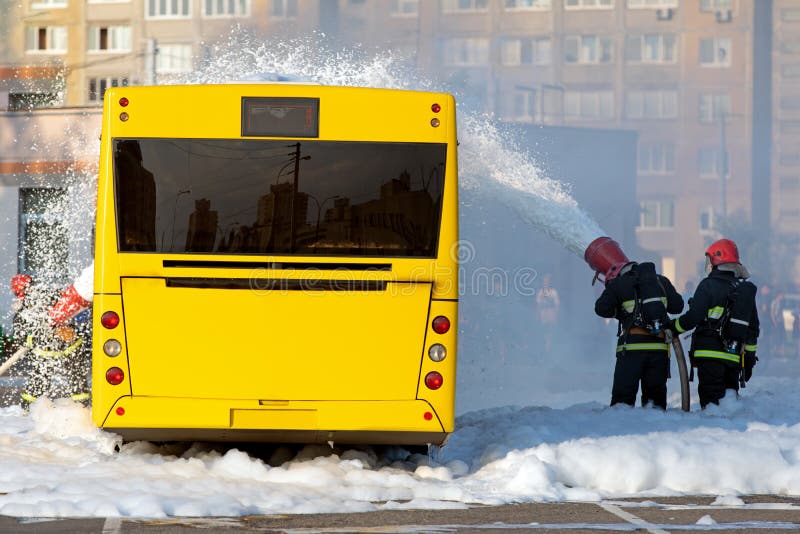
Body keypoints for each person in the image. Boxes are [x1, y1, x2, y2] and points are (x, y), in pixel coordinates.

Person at [671, 238, 760, 408]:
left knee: (711, 408)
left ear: (717, 259)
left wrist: (673, 327)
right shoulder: (743, 290)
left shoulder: (708, 285)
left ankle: (714, 433)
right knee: (729, 404)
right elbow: (752, 329)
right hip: (733, 359)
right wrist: (748, 360)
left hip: (709, 356)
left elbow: (694, 316)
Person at [595, 261, 683, 409]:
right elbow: (677, 306)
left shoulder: (618, 283)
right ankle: (659, 430)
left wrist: (620, 312)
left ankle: (623, 431)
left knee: (622, 401)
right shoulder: (661, 282)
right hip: (659, 349)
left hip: (631, 349)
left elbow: (601, 309)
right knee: (655, 402)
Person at [536, 274, 560, 354]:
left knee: (551, 333)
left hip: (551, 315)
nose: (545, 282)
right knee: (544, 334)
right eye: (544, 281)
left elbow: (557, 305)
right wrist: (538, 316)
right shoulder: (540, 292)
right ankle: (546, 350)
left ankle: (550, 350)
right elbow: (538, 305)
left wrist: (556, 316)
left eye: (547, 281)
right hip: (543, 315)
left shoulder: (553, 292)